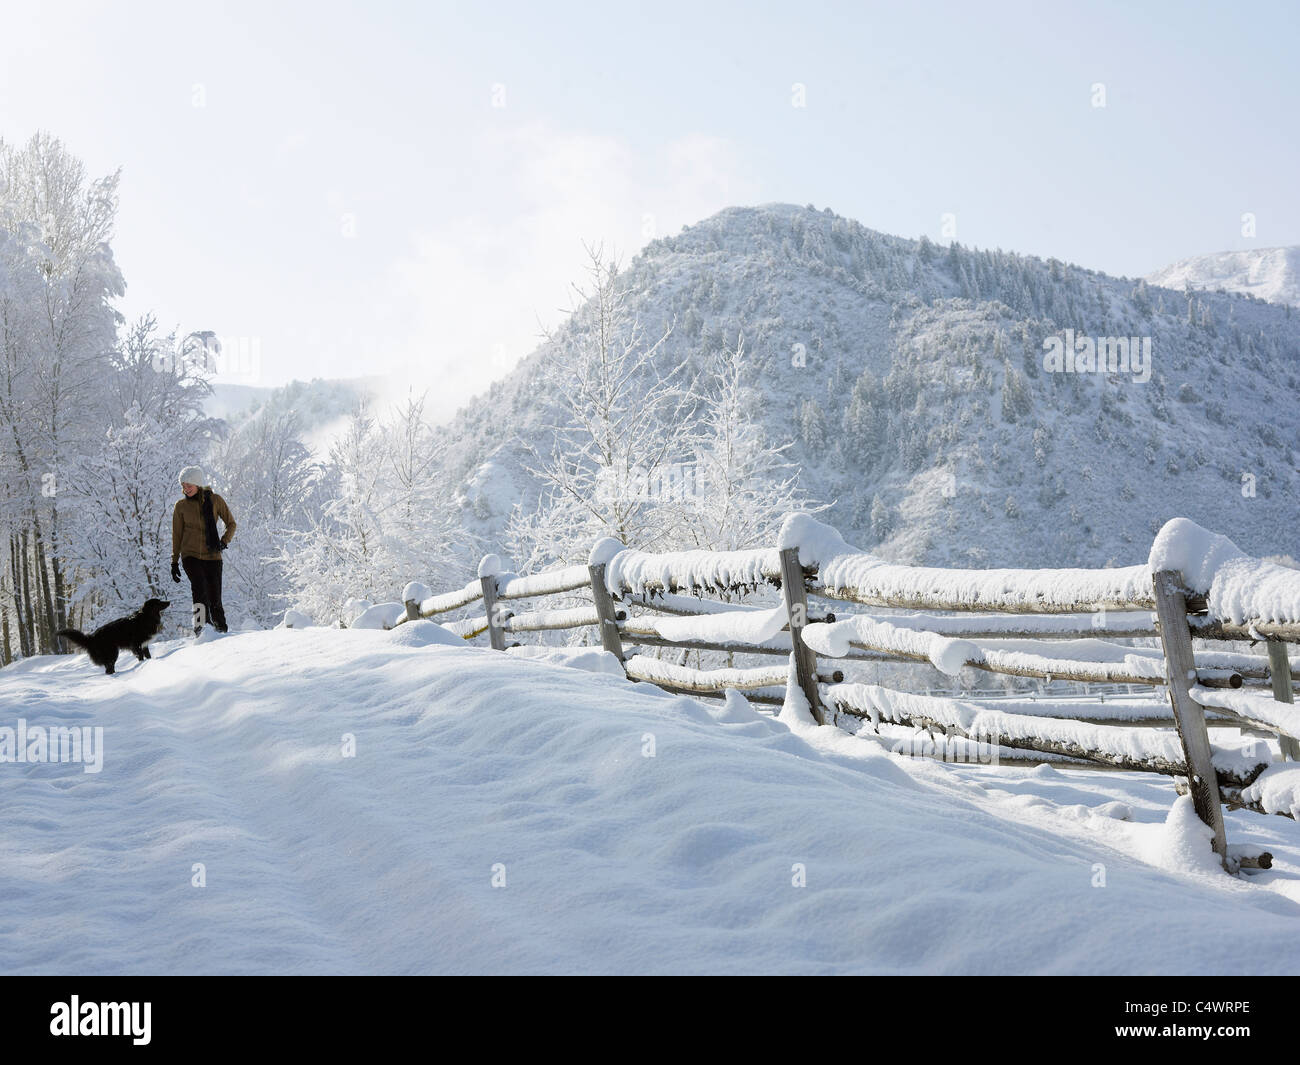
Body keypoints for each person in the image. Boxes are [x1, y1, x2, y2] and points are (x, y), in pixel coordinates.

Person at [170, 466, 237, 636]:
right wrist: (174, 561)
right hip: (190, 555)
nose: (185, 489)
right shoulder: (181, 506)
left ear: (198, 483)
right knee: (199, 589)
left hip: (213, 555)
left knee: (215, 595)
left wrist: (224, 541)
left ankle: (221, 630)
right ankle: (201, 629)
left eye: (188, 485)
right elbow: (177, 535)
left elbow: (231, 524)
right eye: (183, 486)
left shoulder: (215, 500)